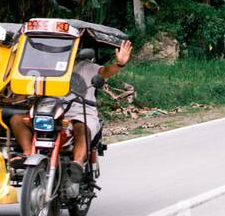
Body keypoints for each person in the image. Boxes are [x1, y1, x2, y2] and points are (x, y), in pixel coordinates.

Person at [8, 39, 132, 180]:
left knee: (81, 127)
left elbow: (105, 72)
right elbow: (29, 88)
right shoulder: (47, 68)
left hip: (81, 111)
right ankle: (28, 153)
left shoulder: (86, 67)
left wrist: (120, 63)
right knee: (17, 120)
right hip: (51, 111)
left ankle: (77, 164)